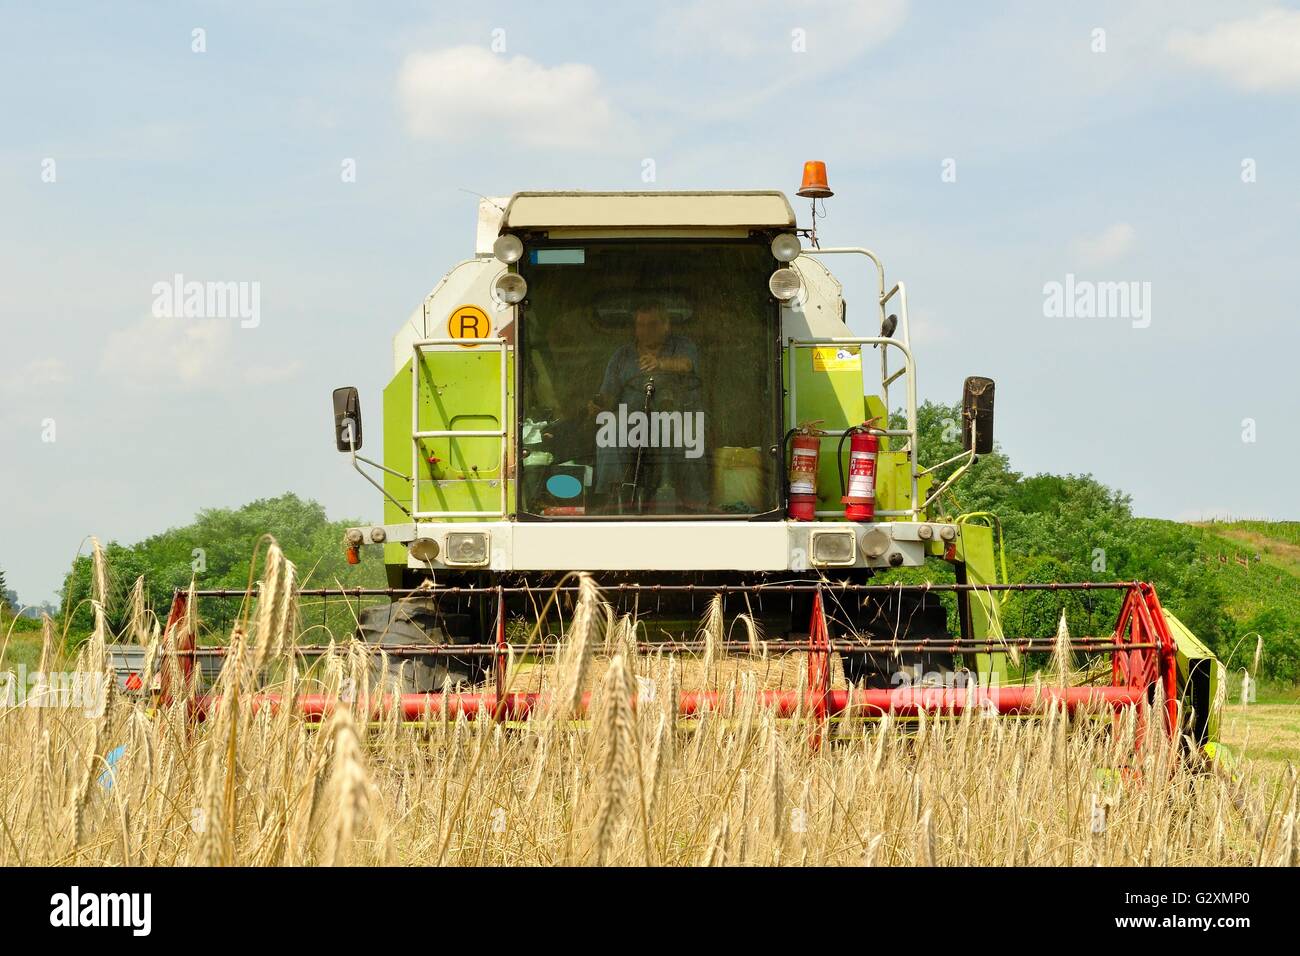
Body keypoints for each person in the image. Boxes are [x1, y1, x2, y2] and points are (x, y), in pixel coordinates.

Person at [591, 302, 707, 510]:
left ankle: (694, 504)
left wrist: (661, 364)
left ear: (666, 325)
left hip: (676, 420)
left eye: (652, 325)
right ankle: (614, 499)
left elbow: (688, 364)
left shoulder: (683, 346)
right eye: (640, 325)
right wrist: (598, 404)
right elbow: (608, 394)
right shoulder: (622, 356)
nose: (645, 330)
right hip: (632, 423)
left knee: (689, 437)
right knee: (608, 431)